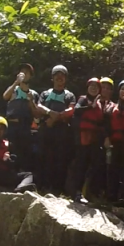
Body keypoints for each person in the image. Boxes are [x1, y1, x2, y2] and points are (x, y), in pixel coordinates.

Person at [36, 65, 77, 196]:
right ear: (52, 78)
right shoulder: (45, 94)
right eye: (57, 75)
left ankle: (57, 188)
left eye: (62, 75)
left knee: (60, 159)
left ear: (65, 78)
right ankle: (43, 186)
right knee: (44, 157)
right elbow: (38, 106)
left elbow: (71, 110)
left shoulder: (69, 95)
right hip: (46, 130)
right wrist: (50, 112)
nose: (59, 77)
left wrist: (56, 117)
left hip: (62, 131)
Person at [67, 78, 104, 204]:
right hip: (82, 137)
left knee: (94, 165)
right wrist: (89, 107)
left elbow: (100, 122)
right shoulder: (83, 99)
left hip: (93, 138)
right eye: (91, 86)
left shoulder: (99, 104)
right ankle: (76, 192)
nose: (93, 88)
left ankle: (89, 192)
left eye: (96, 87)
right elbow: (76, 110)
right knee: (81, 165)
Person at [3, 63, 38, 173]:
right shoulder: (14, 89)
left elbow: (36, 114)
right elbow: (5, 96)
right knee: (11, 152)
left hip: (25, 127)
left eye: (27, 73)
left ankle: (23, 176)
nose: (24, 74)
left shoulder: (33, 94)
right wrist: (16, 82)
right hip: (12, 126)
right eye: (22, 72)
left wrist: (31, 100)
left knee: (24, 154)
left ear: (30, 76)